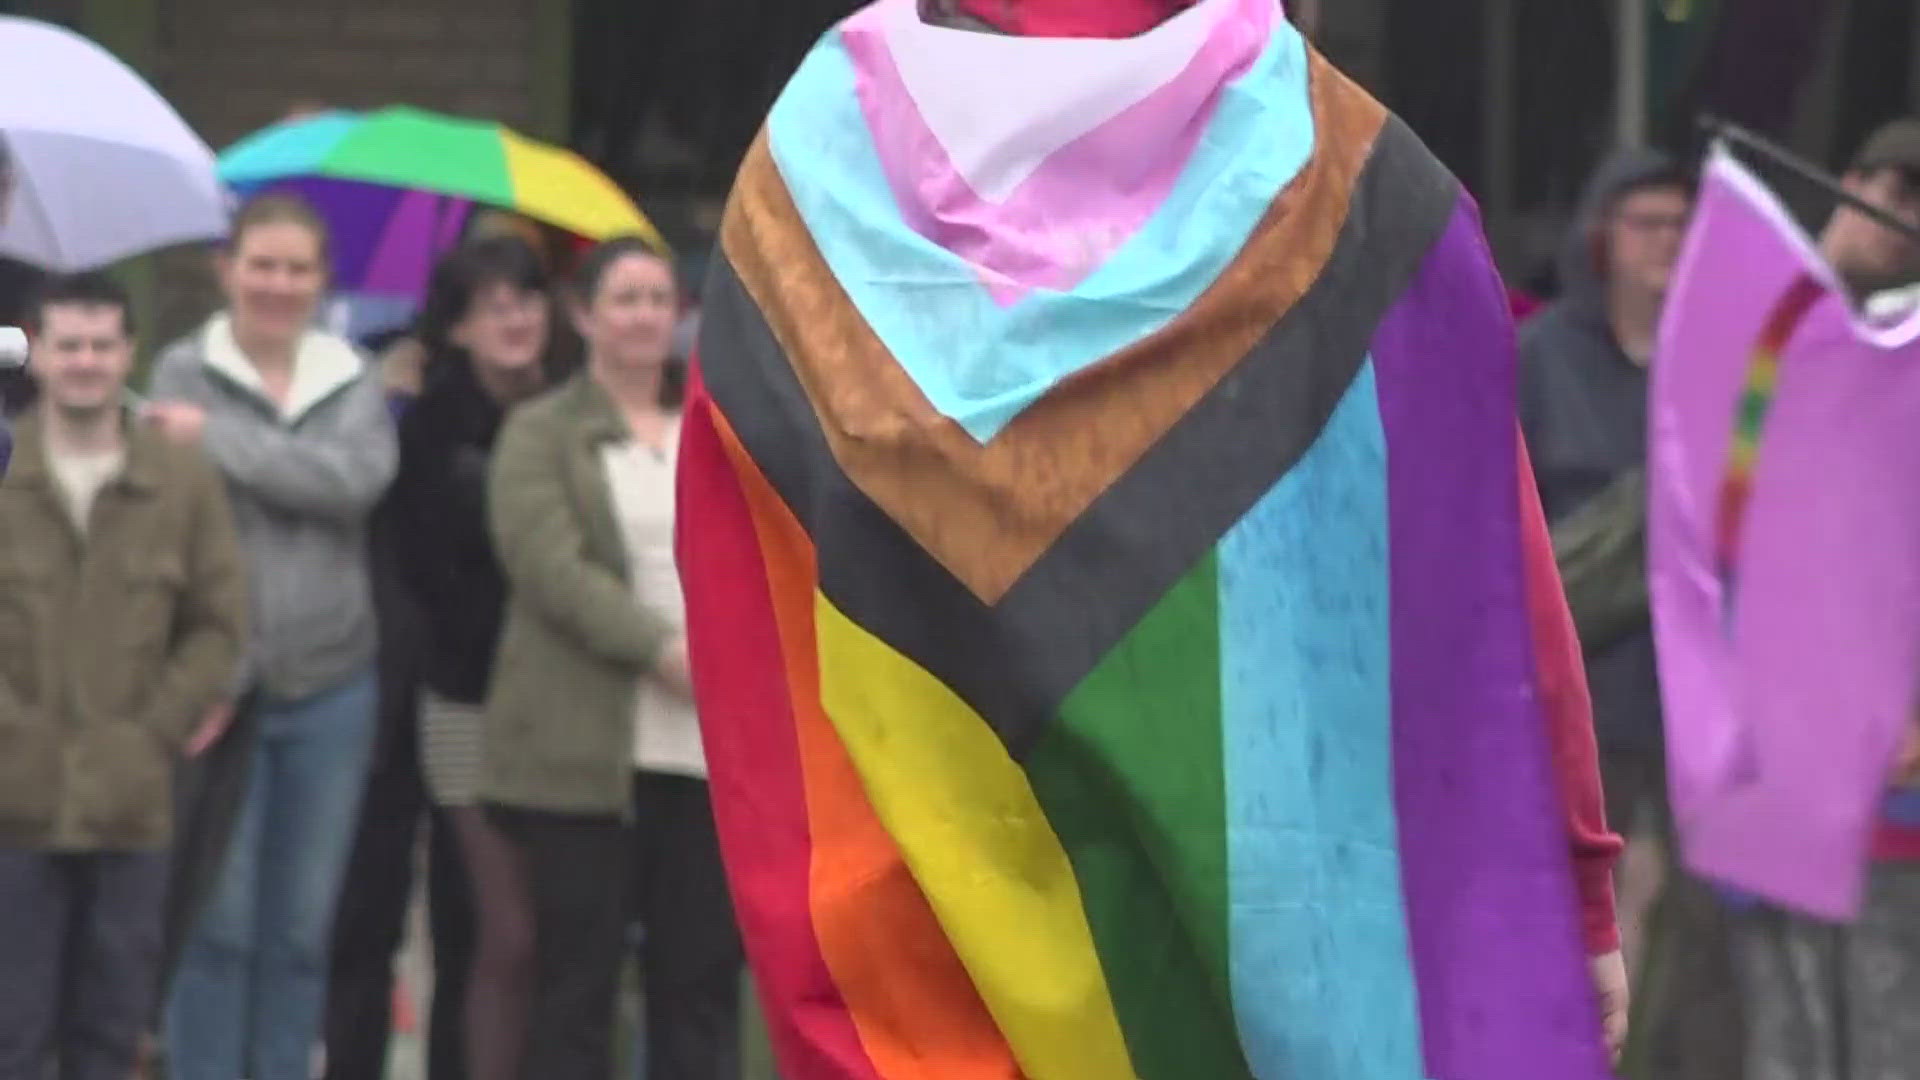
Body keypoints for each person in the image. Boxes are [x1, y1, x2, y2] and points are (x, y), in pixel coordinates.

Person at [680, 0, 1624, 1076]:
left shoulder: (800, 204)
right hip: (1281, 997)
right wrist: (1577, 890)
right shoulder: (1360, 194)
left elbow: (746, 620)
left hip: (925, 984)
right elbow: (1492, 593)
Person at [148, 193, 398, 1080]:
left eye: (297, 269)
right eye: (262, 265)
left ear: (322, 279)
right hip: (221, 690)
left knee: (299, 930)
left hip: (334, 687)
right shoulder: (181, 372)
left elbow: (354, 483)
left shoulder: (350, 379)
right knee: (216, 925)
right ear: (228, 269)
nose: (278, 284)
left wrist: (219, 442)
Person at [483, 237, 734, 1080]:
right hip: (586, 751)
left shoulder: (715, 425)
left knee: (697, 982)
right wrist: (662, 651)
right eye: (624, 298)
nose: (645, 316)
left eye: (659, 298)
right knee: (577, 986)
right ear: (584, 315)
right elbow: (550, 569)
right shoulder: (539, 432)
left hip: (707, 751)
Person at [0, 273, 246, 1080]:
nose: (86, 362)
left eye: (103, 345)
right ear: (36, 352)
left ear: (129, 354)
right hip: (14, 803)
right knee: (14, 1031)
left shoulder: (180, 483)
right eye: (68, 344)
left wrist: (156, 728)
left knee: (112, 1033)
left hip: (130, 803)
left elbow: (219, 622)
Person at [1721, 118, 1920, 1080]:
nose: (1907, 217)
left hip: (1897, 794)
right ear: (1853, 181)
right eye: (1897, 189)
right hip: (1779, 762)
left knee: (1889, 1038)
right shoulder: (1770, 315)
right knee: (1787, 1041)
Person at [390, 235, 559, 1080]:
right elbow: (426, 571)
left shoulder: (575, 409)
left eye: (528, 301)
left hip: (566, 707)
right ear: (457, 328)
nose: (517, 319)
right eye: (496, 307)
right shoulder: (432, 424)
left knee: (554, 928)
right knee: (497, 925)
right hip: (469, 699)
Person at [1818, 118, 1920, 305]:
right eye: (1900, 196)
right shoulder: (1761, 276)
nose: (1911, 222)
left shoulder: (1897, 328)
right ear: (1851, 186)